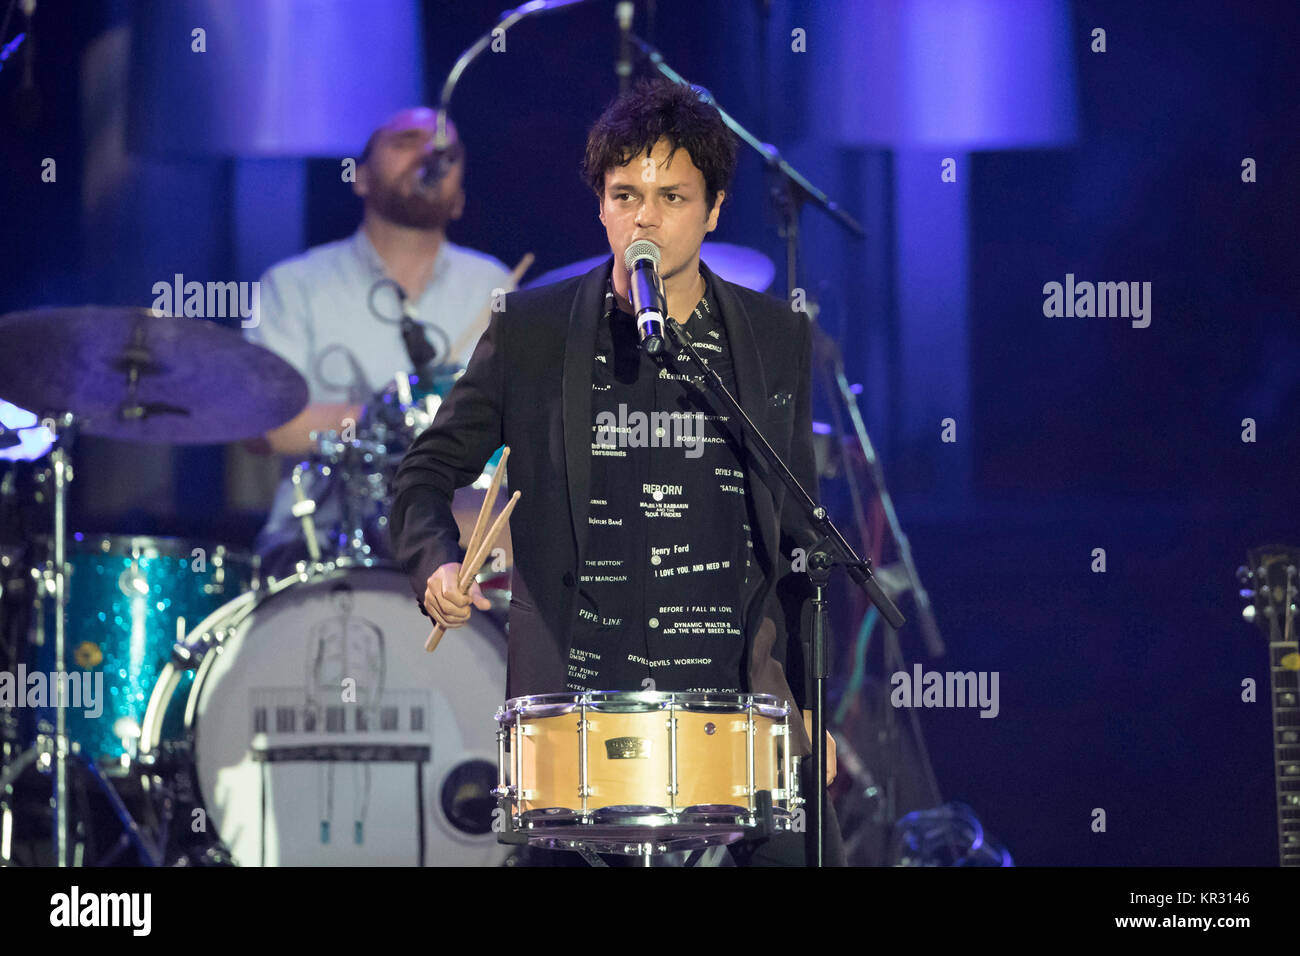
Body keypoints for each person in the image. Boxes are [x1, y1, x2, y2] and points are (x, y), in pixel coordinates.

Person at [390, 79, 841, 866]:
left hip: (738, 713)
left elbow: (800, 540)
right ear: (601, 203)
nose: (646, 216)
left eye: (672, 195)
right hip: (576, 725)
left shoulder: (775, 340)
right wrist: (437, 566)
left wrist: (812, 707)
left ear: (714, 208)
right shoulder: (528, 331)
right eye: (625, 193)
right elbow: (424, 474)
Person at [245, 108, 513, 574]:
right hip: (315, 549)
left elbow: (519, 432)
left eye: (446, 151)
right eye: (407, 141)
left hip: (461, 550)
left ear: (460, 199)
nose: (430, 153)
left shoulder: (494, 284)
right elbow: (263, 426)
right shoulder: (293, 284)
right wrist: (387, 422)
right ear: (361, 177)